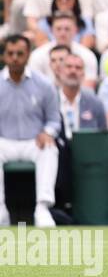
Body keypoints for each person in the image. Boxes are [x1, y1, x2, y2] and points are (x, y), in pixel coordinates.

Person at [0, 35, 61, 228]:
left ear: (28, 56)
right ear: (4, 56)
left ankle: (42, 208)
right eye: (10, 53)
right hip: (4, 142)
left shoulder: (44, 84)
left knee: (50, 149)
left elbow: (54, 120)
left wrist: (48, 132)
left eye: (20, 53)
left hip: (34, 142)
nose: (15, 58)